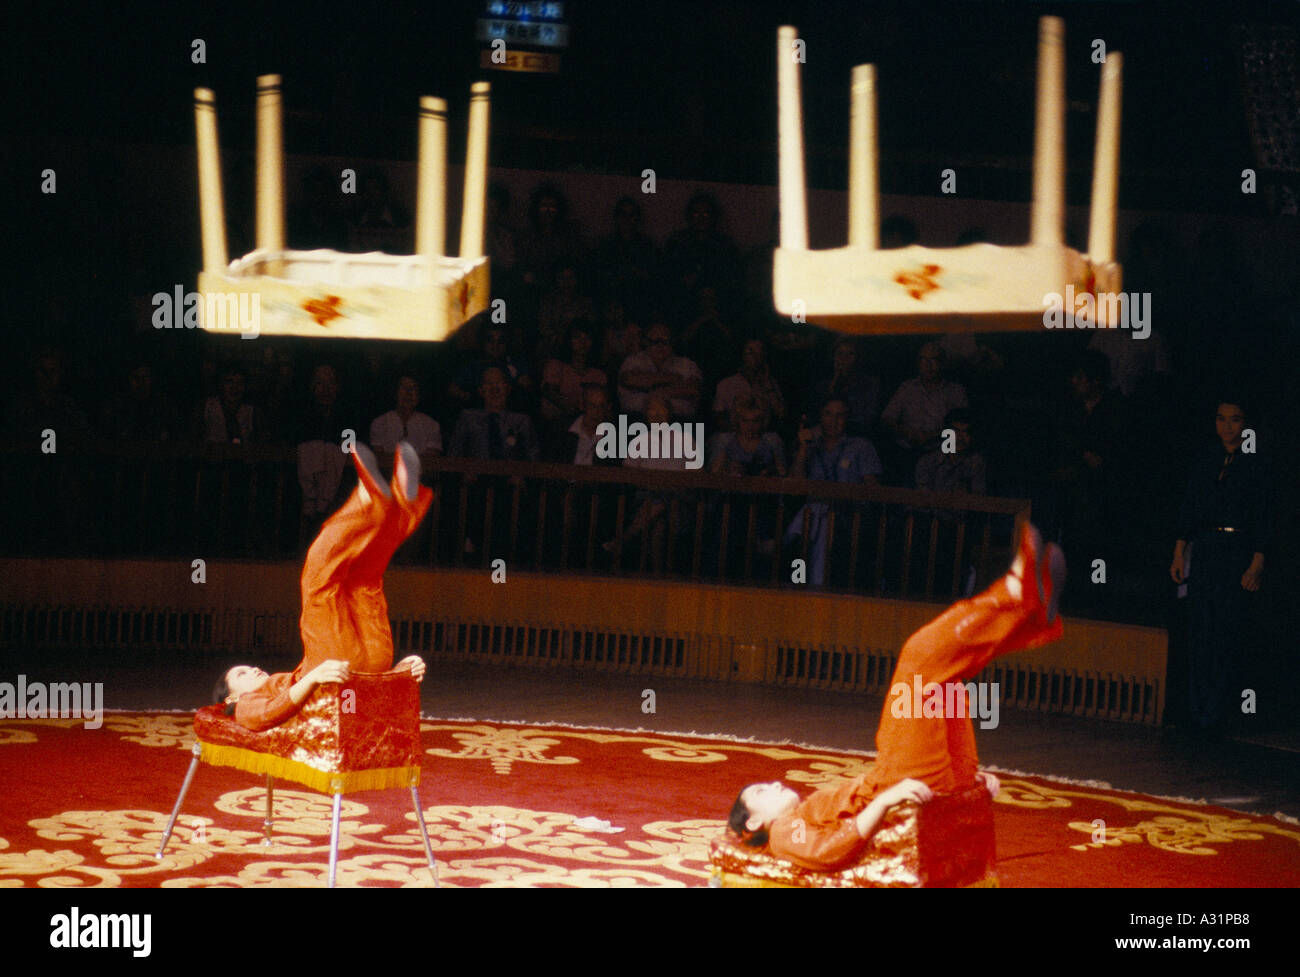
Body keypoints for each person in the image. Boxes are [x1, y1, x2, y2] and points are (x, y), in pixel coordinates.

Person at [727, 524, 1066, 871]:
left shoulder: (800, 815)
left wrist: (971, 789)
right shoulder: (783, 834)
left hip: (937, 787)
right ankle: (1014, 594)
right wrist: (887, 799)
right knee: (920, 659)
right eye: (761, 793)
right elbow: (830, 851)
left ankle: (1031, 617)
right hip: (902, 783)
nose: (774, 783)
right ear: (754, 824)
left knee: (947, 677)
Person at [217, 442, 431, 731]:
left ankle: (398, 507)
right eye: (242, 673)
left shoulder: (278, 680)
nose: (253, 669)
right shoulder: (244, 707)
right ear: (232, 695)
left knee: (363, 579)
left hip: (366, 667)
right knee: (319, 581)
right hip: (333, 664)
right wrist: (314, 677)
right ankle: (369, 502)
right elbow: (268, 714)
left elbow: (364, 700)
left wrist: (402, 672)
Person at [1169, 398, 1269, 732]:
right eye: (1221, 419)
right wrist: (1179, 549)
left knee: (1226, 632)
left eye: (1235, 419)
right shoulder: (1207, 458)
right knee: (1200, 630)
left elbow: (1264, 514)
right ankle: (1197, 712)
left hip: (1237, 549)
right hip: (1206, 548)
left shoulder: (1257, 462)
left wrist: (1257, 560)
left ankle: (1216, 714)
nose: (1227, 426)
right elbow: (1190, 506)